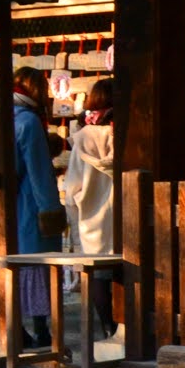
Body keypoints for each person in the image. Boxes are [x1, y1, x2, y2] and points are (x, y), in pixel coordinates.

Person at [10, 66, 64, 349]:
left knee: (12, 269)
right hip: (29, 205)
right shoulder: (30, 121)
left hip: (6, 206)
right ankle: (42, 330)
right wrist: (51, 210)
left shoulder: (2, 116)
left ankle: (14, 329)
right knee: (36, 265)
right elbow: (38, 171)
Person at [64, 79, 119, 340]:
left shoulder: (83, 137)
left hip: (91, 213)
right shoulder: (122, 133)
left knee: (98, 274)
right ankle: (126, 328)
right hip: (120, 210)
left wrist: (72, 207)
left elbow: (72, 183)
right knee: (127, 270)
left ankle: (107, 326)